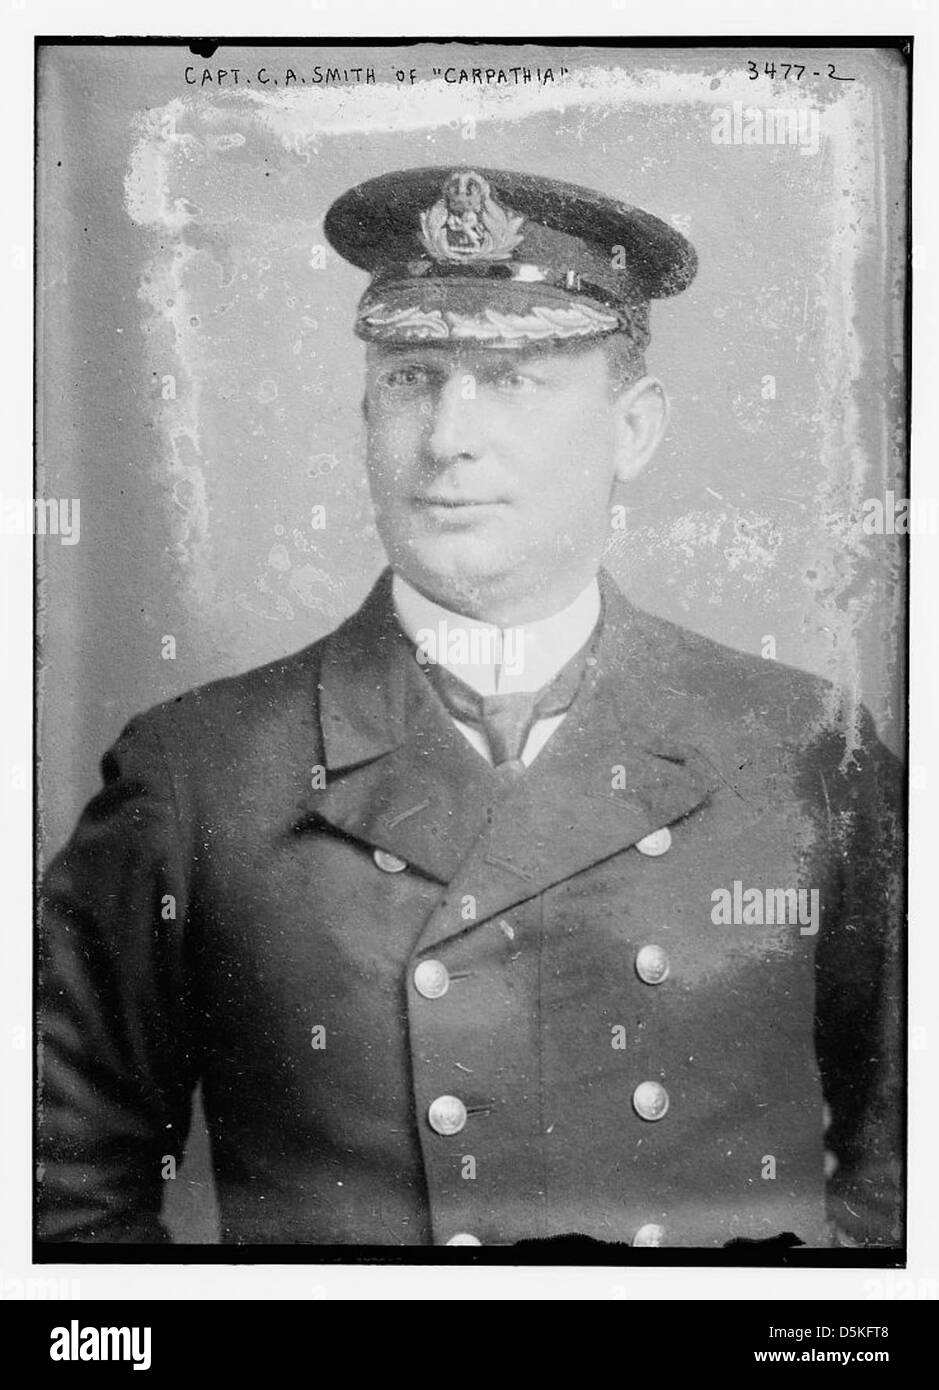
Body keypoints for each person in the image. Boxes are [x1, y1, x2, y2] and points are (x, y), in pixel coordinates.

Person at [37, 165, 903, 1249]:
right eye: (412, 377)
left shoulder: (804, 748)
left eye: (513, 380)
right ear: (364, 413)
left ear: (633, 428)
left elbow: (910, 1160)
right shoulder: (197, 771)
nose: (448, 437)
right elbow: (58, 1192)